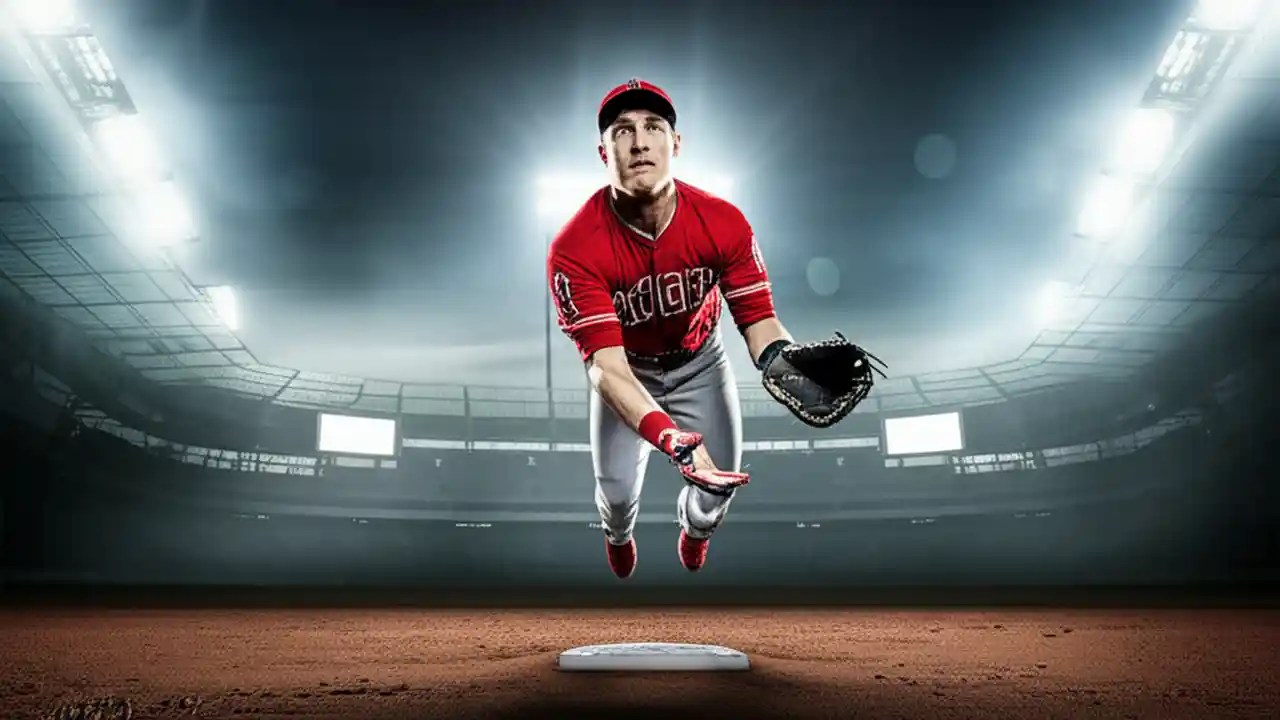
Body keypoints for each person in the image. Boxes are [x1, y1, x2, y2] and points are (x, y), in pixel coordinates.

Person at [546, 79, 796, 578]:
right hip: (629, 372)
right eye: (623, 131)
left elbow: (758, 321)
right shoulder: (574, 247)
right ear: (604, 151)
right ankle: (618, 536)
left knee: (716, 490)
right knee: (616, 496)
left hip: (702, 361)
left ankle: (695, 530)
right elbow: (606, 370)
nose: (639, 142)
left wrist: (782, 360)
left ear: (674, 144)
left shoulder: (724, 222)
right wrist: (668, 435)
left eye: (653, 127)